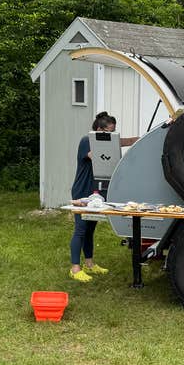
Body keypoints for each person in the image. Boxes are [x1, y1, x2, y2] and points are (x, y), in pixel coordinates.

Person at [69, 113, 113, 282]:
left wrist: (137, 140)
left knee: (90, 230)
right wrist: (113, 149)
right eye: (108, 132)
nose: (111, 136)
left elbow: (120, 144)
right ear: (99, 129)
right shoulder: (86, 141)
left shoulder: (103, 142)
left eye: (113, 133)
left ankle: (89, 264)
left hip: (94, 193)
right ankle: (74, 269)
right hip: (81, 191)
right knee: (80, 229)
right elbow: (99, 157)